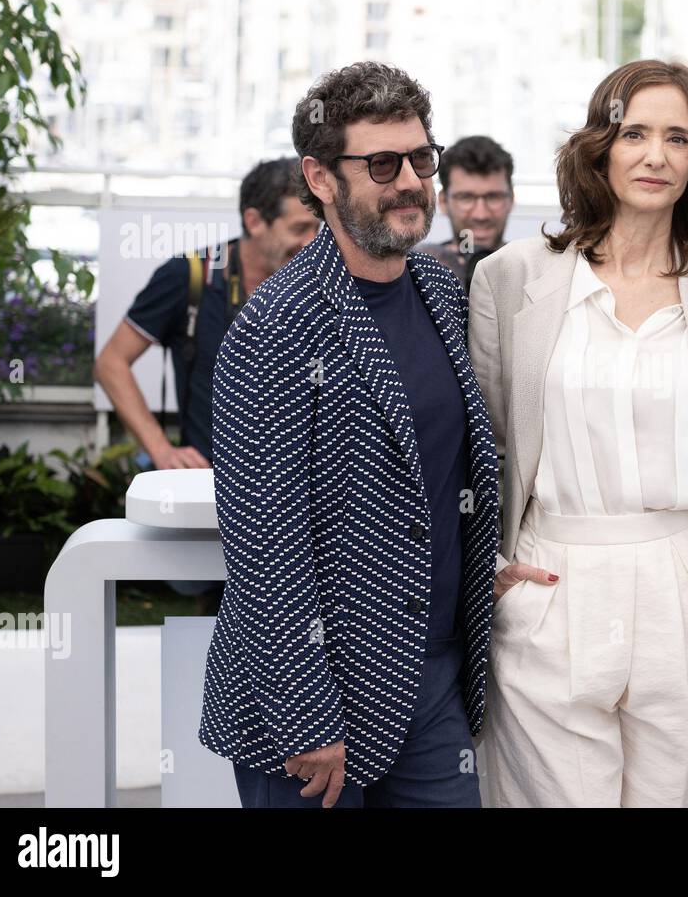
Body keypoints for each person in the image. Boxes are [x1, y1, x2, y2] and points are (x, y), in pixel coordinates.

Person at [198, 62, 501, 808]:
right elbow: (264, 546)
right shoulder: (273, 330)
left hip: (432, 679)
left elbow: (443, 468)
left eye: (421, 159)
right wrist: (305, 714)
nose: (409, 182)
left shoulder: (437, 289)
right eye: (382, 164)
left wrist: (494, 551)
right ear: (322, 178)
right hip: (311, 699)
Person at [468, 59, 688, 808]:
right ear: (600, 145)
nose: (656, 156)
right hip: (548, 582)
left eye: (679, 138)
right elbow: (485, 452)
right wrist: (489, 571)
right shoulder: (511, 278)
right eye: (634, 133)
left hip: (684, 589)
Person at [93, 158, 318, 611]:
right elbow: (112, 362)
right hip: (212, 502)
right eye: (299, 228)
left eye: (319, 228)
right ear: (254, 221)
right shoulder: (191, 276)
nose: (312, 243)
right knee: (214, 634)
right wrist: (161, 451)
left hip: (302, 504)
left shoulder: (320, 283)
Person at [417, 135, 515, 289]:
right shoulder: (418, 273)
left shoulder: (532, 271)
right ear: (443, 201)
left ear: (511, 199)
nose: (481, 215)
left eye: (493, 197)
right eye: (466, 198)